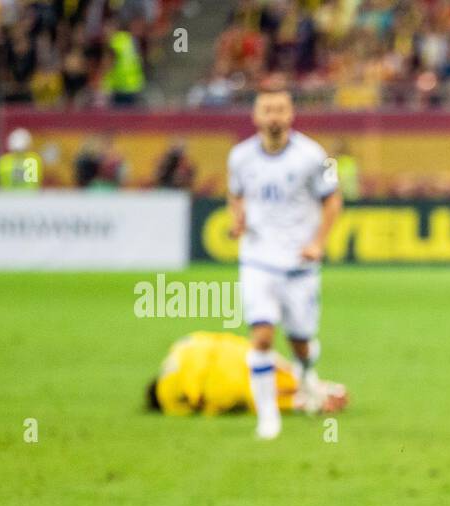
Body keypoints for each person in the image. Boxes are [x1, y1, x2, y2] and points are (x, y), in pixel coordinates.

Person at [227, 84, 343, 439]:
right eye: (268, 109)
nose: (274, 116)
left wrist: (317, 243)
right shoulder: (240, 157)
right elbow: (235, 193)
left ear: (291, 114)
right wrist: (238, 220)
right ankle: (268, 418)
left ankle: (307, 372)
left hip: (299, 262)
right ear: (256, 115)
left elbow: (333, 199)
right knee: (261, 336)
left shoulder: (312, 155)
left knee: (300, 342)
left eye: (280, 109)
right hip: (257, 259)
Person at [145, 331, 347, 416]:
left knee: (263, 396)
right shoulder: (178, 348)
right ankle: (320, 387)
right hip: (236, 353)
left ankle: (309, 402)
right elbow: (210, 337)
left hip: (222, 385)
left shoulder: (166, 397)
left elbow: (194, 401)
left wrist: (210, 407)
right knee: (282, 371)